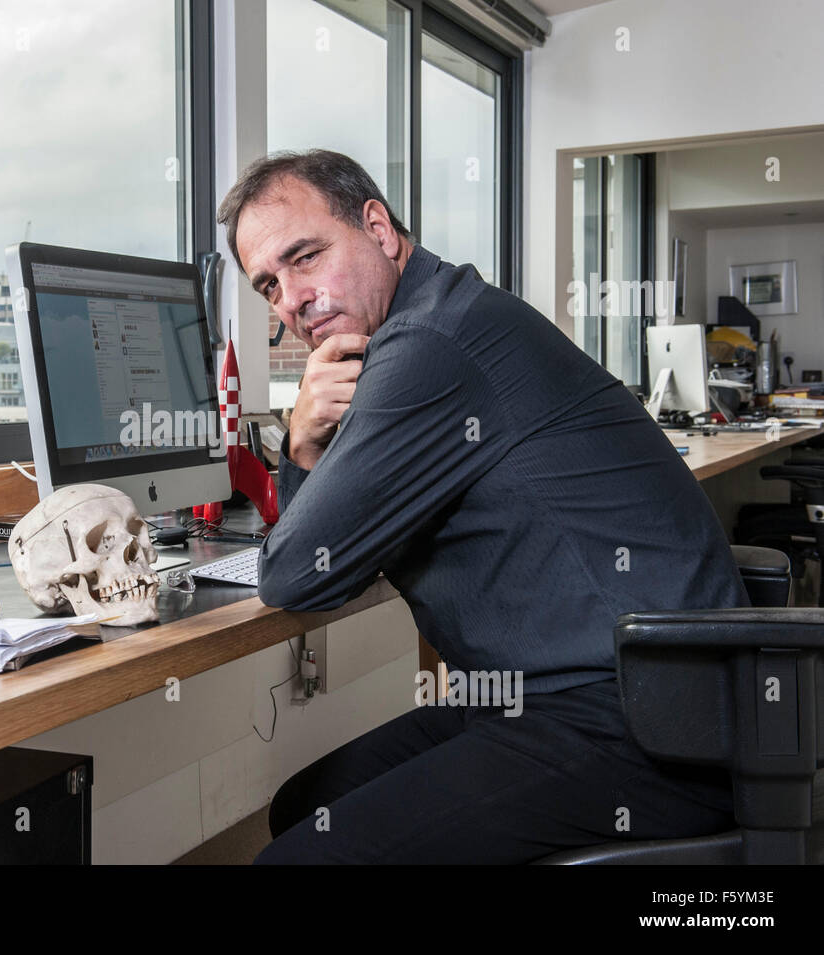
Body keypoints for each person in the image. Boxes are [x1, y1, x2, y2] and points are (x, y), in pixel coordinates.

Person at [216, 149, 749, 864]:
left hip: (642, 722)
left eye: (305, 257)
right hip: (593, 690)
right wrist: (309, 445)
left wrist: (303, 443)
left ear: (377, 227)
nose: (292, 300)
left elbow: (296, 576)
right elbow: (321, 557)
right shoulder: (442, 312)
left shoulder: (428, 344)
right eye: (269, 286)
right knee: (305, 807)